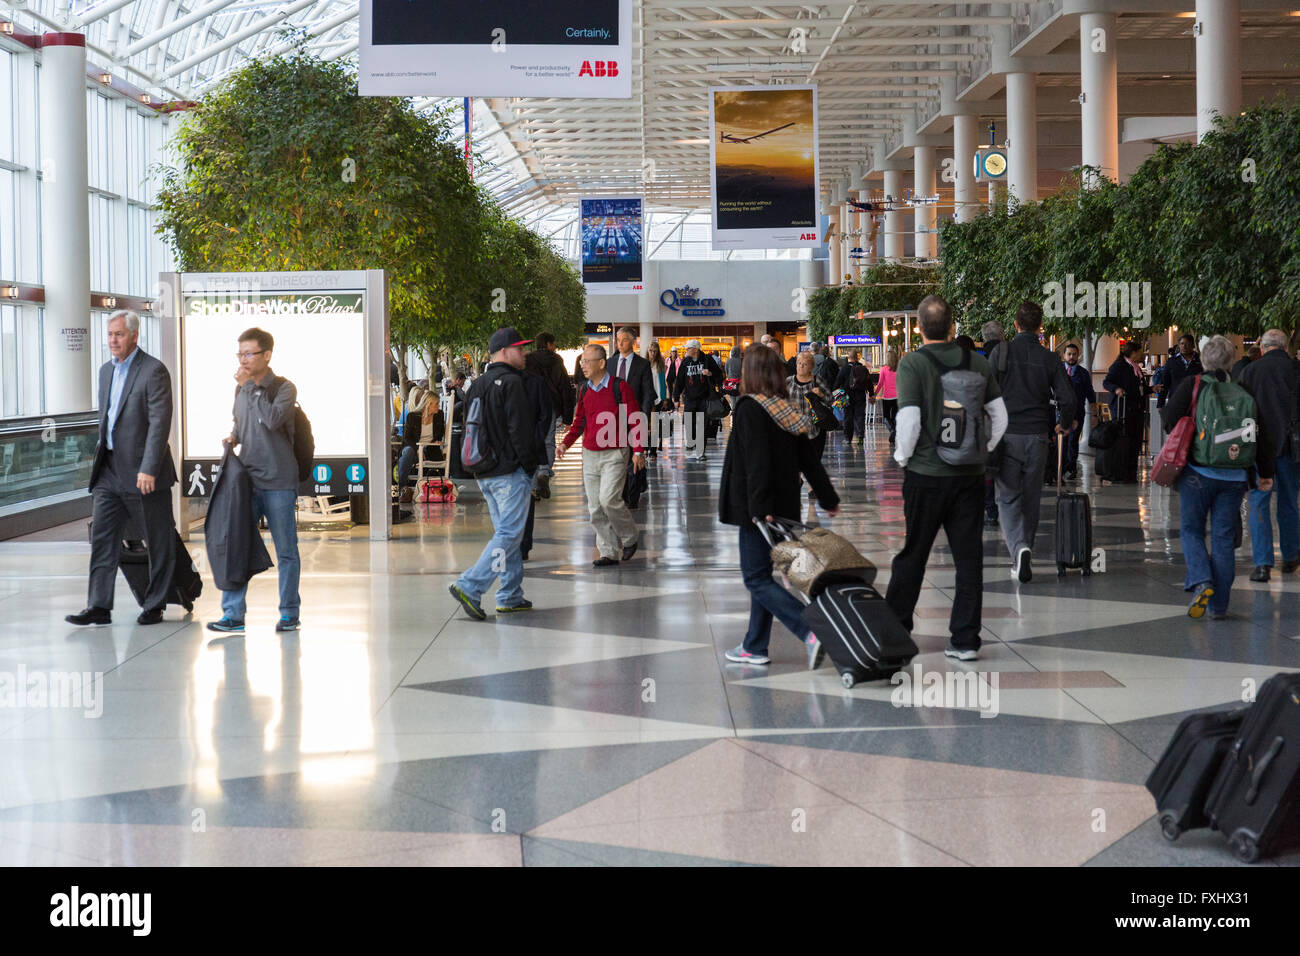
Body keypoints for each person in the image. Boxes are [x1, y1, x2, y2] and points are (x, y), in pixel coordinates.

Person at [887, 295, 1008, 661]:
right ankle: (966, 639)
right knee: (968, 558)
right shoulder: (977, 361)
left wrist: (902, 457)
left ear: (920, 327)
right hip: (970, 477)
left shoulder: (913, 363)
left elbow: (908, 420)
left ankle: (895, 637)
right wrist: (979, 448)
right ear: (952, 326)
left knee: (913, 556)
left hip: (926, 475)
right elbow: (1000, 417)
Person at [720, 344, 840, 666]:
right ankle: (754, 645)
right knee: (763, 575)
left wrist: (759, 509)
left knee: (755, 577)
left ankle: (810, 630)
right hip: (783, 505)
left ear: (752, 372)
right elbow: (808, 459)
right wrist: (828, 497)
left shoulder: (750, 408)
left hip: (759, 510)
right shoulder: (784, 407)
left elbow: (757, 463)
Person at [67, 310, 180, 627]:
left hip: (145, 473)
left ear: (134, 335)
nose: (113, 340)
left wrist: (149, 467)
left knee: (157, 540)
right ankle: (99, 606)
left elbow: (160, 424)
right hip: (109, 470)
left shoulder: (153, 371)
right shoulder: (105, 372)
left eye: (119, 334)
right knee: (103, 538)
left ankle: (155, 603)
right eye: (110, 334)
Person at [1162, 335, 1274, 619]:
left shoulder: (1194, 385)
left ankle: (1202, 581)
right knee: (1223, 538)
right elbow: (1260, 433)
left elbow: (1167, 421)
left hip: (1197, 473)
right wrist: (1266, 473)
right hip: (1235, 477)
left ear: (1203, 359)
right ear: (1231, 361)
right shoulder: (1243, 389)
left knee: (1191, 530)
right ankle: (1219, 607)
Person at [207, 327, 303, 633]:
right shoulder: (241, 389)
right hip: (246, 480)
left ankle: (289, 612)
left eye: (249, 353)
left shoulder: (284, 388)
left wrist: (249, 388)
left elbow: (272, 420)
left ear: (267, 355)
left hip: (279, 481)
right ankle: (233, 614)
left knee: (286, 549)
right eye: (240, 354)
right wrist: (234, 436)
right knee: (236, 543)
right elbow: (243, 421)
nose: (243, 359)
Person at [448, 327, 542, 620]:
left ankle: (510, 595)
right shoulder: (513, 383)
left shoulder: (479, 384)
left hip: (484, 472)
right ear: (504, 351)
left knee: (507, 535)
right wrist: (530, 468)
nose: (524, 354)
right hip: (509, 474)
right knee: (510, 534)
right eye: (519, 349)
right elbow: (520, 431)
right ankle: (470, 585)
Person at [985, 302, 1075, 583]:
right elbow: (1069, 398)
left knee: (1008, 497)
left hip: (1007, 435)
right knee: (1032, 498)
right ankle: (1026, 548)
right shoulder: (1049, 358)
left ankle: (1019, 550)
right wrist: (1064, 422)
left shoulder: (1001, 351)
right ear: (1039, 327)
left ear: (1015, 324)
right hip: (1038, 437)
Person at [558, 344, 646, 567]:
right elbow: (580, 422)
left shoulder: (620, 387)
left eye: (587, 361)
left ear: (601, 363)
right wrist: (565, 444)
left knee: (609, 500)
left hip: (614, 452)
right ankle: (608, 551)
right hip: (590, 454)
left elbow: (635, 419)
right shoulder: (584, 389)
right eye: (582, 362)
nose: (583, 365)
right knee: (595, 507)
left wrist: (638, 450)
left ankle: (630, 537)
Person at [1240, 329, 1300, 582]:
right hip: (1290, 448)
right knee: (1289, 502)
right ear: (1286, 348)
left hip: (1258, 448)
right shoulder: (1297, 370)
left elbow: (1243, 413)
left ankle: (1263, 563)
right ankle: (1290, 556)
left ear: (1262, 348)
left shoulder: (1250, 372)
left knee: (1259, 503)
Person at [525, 332, 575, 499]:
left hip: (531, 406)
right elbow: (565, 388)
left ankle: (533, 488)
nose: (554, 347)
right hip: (550, 405)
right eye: (553, 344)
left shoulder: (528, 360)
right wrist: (568, 417)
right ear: (548, 344)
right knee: (548, 441)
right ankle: (544, 472)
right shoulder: (556, 360)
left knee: (531, 443)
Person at [1102, 340, 1147, 482]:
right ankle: (1121, 472)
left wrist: (1152, 389)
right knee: (1124, 441)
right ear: (1133, 352)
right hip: (1122, 409)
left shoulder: (1136, 368)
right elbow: (1107, 382)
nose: (1141, 354)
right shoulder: (1119, 366)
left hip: (1136, 409)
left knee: (1135, 441)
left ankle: (1131, 472)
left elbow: (1139, 388)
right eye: (1139, 351)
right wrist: (1116, 389)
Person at [672, 339, 724, 460]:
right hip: (689, 398)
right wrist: (675, 398)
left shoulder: (707, 360)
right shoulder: (685, 362)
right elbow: (679, 381)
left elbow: (719, 375)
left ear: (695, 349)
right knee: (689, 424)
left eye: (688, 348)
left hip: (704, 399)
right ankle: (691, 442)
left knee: (702, 425)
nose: (685, 350)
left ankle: (700, 452)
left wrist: (710, 373)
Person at [787, 350, 833, 470]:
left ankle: (813, 487)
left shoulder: (817, 381)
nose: (801, 366)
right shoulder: (788, 382)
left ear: (811, 367)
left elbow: (831, 400)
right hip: (794, 429)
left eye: (805, 364)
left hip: (815, 429)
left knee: (813, 462)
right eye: (799, 363)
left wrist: (821, 394)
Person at [396, 389, 444, 503]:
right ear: (428, 403)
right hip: (413, 448)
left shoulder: (439, 415)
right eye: (436, 403)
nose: (438, 406)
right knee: (407, 453)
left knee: (413, 454)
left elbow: (439, 433)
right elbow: (407, 438)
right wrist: (418, 449)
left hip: (430, 449)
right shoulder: (412, 416)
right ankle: (401, 488)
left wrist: (437, 441)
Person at [1061, 342, 1096, 480]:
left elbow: (1090, 394)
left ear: (1078, 356)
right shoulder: (1059, 372)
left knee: (1073, 440)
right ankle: (1061, 467)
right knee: (1062, 441)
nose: (1071, 357)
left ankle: (1071, 467)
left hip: (1077, 413)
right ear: (1064, 355)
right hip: (1061, 413)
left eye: (1074, 354)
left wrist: (1094, 414)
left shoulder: (1083, 374)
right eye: (1069, 354)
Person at [834, 349, 875, 445]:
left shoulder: (844, 369)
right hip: (860, 395)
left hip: (847, 396)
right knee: (860, 416)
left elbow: (837, 382)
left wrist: (836, 394)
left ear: (849, 358)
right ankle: (860, 436)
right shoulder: (863, 369)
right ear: (857, 358)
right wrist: (871, 394)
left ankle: (848, 438)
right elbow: (869, 383)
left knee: (848, 416)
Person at [1156, 334, 1203, 409]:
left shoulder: (1201, 360)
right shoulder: (1172, 361)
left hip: (1196, 403)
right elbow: (1164, 383)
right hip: (1176, 402)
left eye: (1187, 344)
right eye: (1182, 344)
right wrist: (1160, 404)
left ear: (1193, 345)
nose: (1184, 346)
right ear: (1179, 345)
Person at [647, 341, 669, 460]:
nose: (653, 353)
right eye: (651, 350)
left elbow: (662, 383)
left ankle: (653, 452)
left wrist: (664, 398)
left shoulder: (660, 365)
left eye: (655, 351)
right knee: (646, 425)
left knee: (654, 426)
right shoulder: (644, 364)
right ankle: (646, 448)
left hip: (657, 399)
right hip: (646, 398)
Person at [877, 348, 900, 445]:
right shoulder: (900, 368)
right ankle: (894, 430)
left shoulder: (884, 369)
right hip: (898, 397)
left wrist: (873, 394)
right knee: (895, 416)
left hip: (887, 397)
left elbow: (880, 383)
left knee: (886, 416)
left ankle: (891, 429)